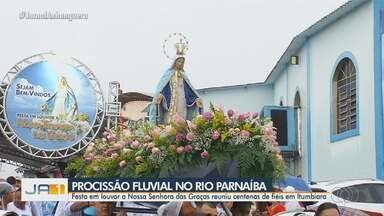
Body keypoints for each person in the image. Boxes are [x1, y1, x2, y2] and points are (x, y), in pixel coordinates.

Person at [149, 44, 203, 124]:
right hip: (171, 101)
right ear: (174, 62)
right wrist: (160, 95)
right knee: (171, 118)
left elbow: (189, 90)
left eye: (182, 62)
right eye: (179, 61)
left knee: (182, 116)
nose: (180, 63)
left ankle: (181, 132)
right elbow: (164, 87)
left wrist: (196, 99)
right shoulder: (168, 74)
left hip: (182, 99)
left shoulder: (183, 75)